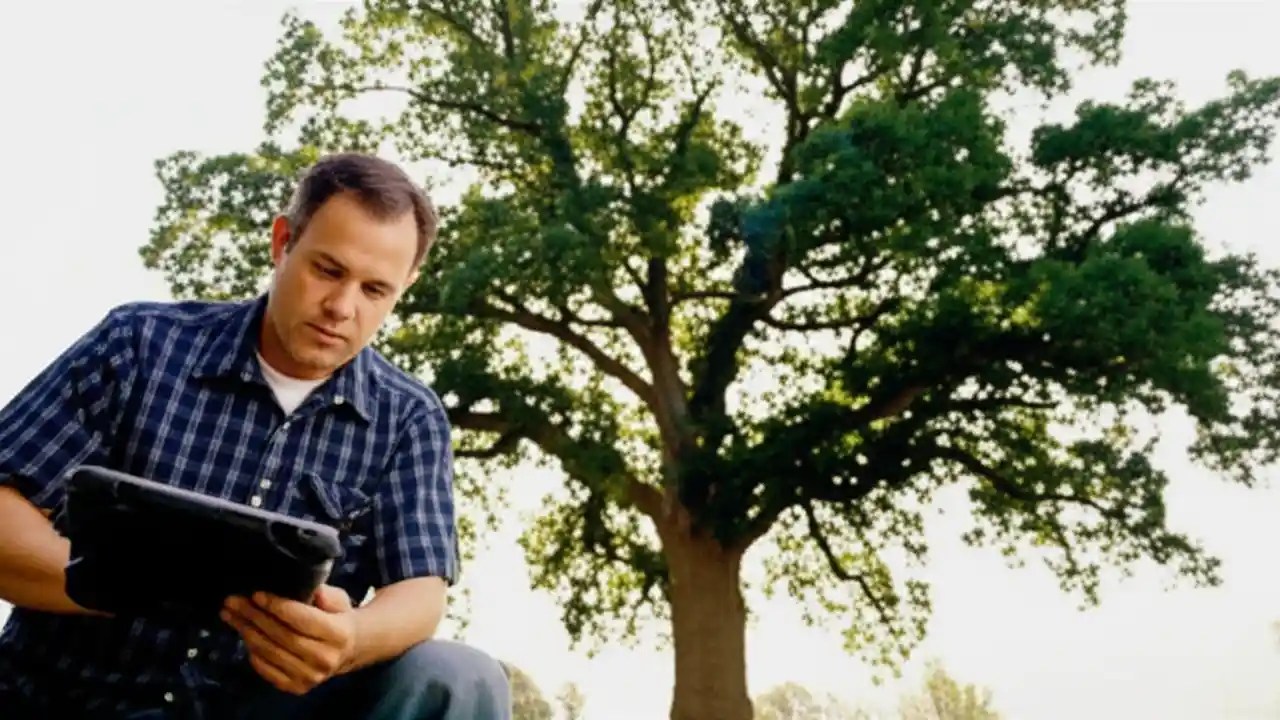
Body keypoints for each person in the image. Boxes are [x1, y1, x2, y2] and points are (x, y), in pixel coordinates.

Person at [0, 152, 512, 719]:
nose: (342, 308)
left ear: (406, 287)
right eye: (329, 270)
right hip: (62, 695)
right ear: (282, 242)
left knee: (461, 677)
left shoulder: (409, 418)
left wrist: (349, 640)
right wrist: (128, 585)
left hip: (255, 707)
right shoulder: (137, 343)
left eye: (375, 290)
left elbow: (420, 592)